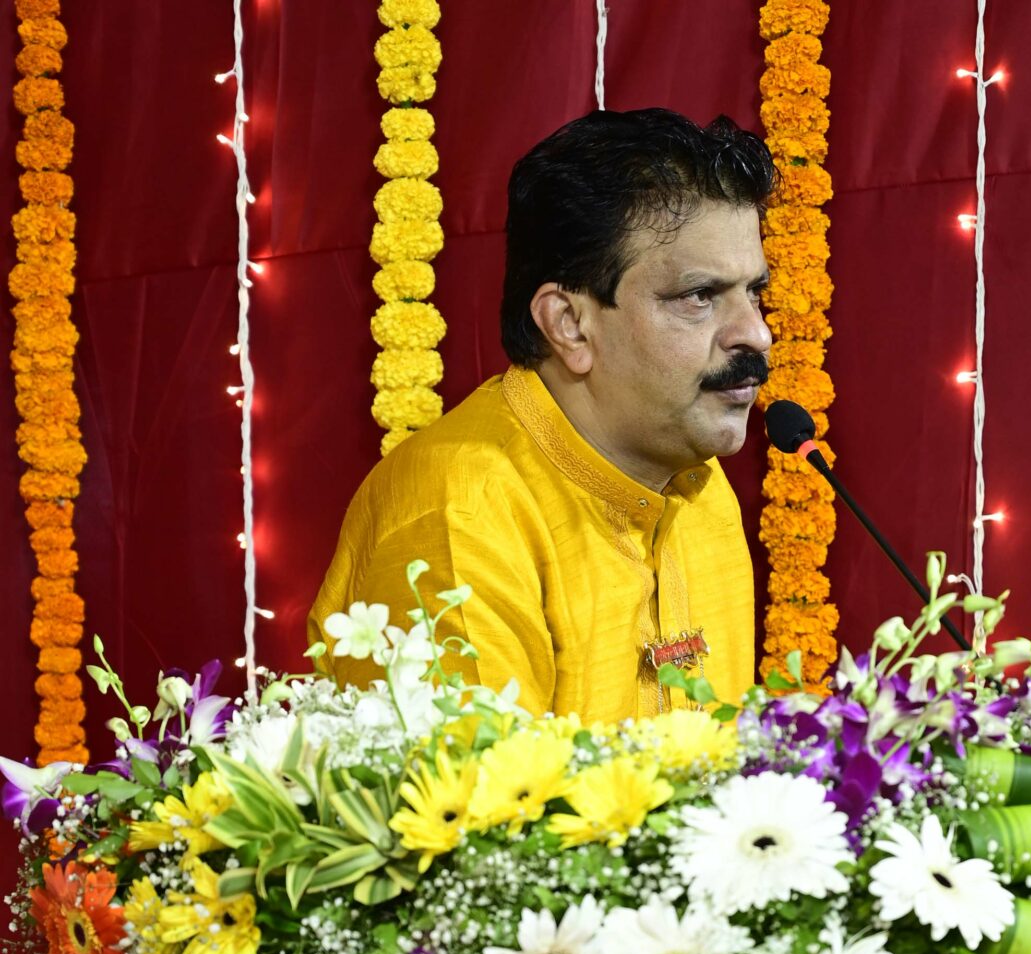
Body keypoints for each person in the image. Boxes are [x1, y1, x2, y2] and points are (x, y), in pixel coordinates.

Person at [309, 108, 775, 720]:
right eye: (699, 297)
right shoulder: (463, 510)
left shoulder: (702, 493)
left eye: (754, 293)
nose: (756, 334)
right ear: (569, 325)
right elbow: (475, 809)